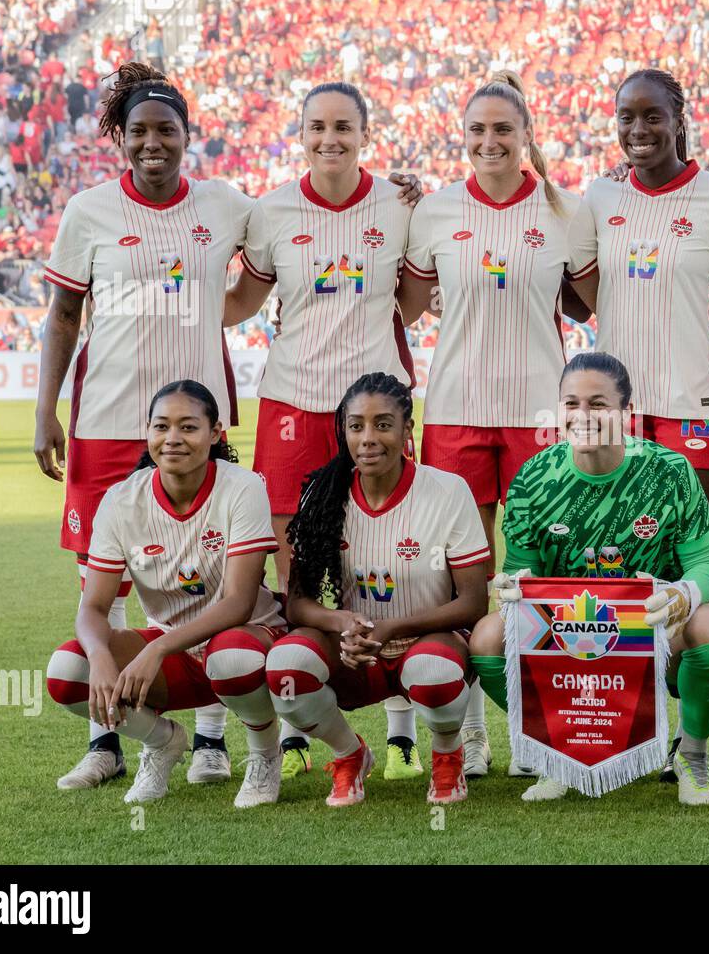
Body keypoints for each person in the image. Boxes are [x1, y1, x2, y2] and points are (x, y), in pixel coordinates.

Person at [35, 62, 253, 792]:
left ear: (189, 137)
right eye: (139, 132)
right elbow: (64, 318)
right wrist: (47, 412)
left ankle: (213, 739)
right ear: (119, 140)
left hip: (198, 420)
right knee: (105, 586)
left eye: (167, 130)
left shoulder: (226, 206)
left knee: (213, 571)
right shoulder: (88, 211)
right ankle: (110, 738)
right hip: (106, 423)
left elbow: (295, 239)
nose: (153, 143)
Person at [223, 81, 424, 784]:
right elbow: (238, 303)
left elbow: (418, 299)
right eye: (316, 127)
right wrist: (163, 283)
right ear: (299, 133)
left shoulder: (399, 206)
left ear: (365, 133)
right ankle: (299, 720)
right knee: (294, 565)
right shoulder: (271, 211)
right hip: (292, 403)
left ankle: (401, 729)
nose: (329, 138)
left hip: (374, 405)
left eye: (343, 126)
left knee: (388, 559)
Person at [396, 71, 584, 780]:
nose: (489, 142)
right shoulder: (437, 212)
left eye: (503, 129)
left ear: (527, 134)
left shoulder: (567, 210)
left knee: (541, 578)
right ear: (463, 137)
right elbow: (405, 308)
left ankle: (547, 732)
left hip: (540, 417)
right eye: (477, 131)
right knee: (463, 584)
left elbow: (599, 298)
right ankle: (468, 734)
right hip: (455, 412)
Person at [467, 352, 709, 806]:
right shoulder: (533, 478)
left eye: (599, 404)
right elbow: (518, 570)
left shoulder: (669, 472)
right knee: (488, 637)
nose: (584, 416)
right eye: (572, 403)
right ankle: (558, 754)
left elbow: (706, 566)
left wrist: (682, 595)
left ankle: (691, 753)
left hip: (656, 633)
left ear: (627, 412)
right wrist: (513, 588)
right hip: (572, 635)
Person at [45, 381, 287, 807]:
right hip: (175, 654)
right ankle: (162, 742)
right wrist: (101, 657)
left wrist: (156, 651)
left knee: (232, 656)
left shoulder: (242, 487)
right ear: (149, 432)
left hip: (248, 642)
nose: (172, 438)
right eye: (162, 426)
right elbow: (94, 607)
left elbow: (239, 603)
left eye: (188, 427)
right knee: (69, 670)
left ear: (215, 434)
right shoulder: (122, 500)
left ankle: (265, 755)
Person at [265, 373, 490, 806]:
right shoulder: (325, 493)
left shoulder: (447, 491)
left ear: (408, 430)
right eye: (356, 426)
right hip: (356, 649)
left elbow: (474, 602)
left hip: (429, 642)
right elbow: (296, 603)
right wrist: (343, 622)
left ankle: (447, 754)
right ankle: (350, 754)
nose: (368, 438)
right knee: (287, 668)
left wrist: (391, 627)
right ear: (342, 431)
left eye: (383, 424)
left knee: (434, 672)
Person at [567, 69, 709, 535]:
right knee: (614, 547)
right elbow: (583, 298)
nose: (638, 130)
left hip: (693, 400)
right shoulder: (600, 196)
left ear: (678, 121)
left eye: (653, 116)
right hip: (615, 406)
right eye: (626, 117)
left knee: (690, 548)